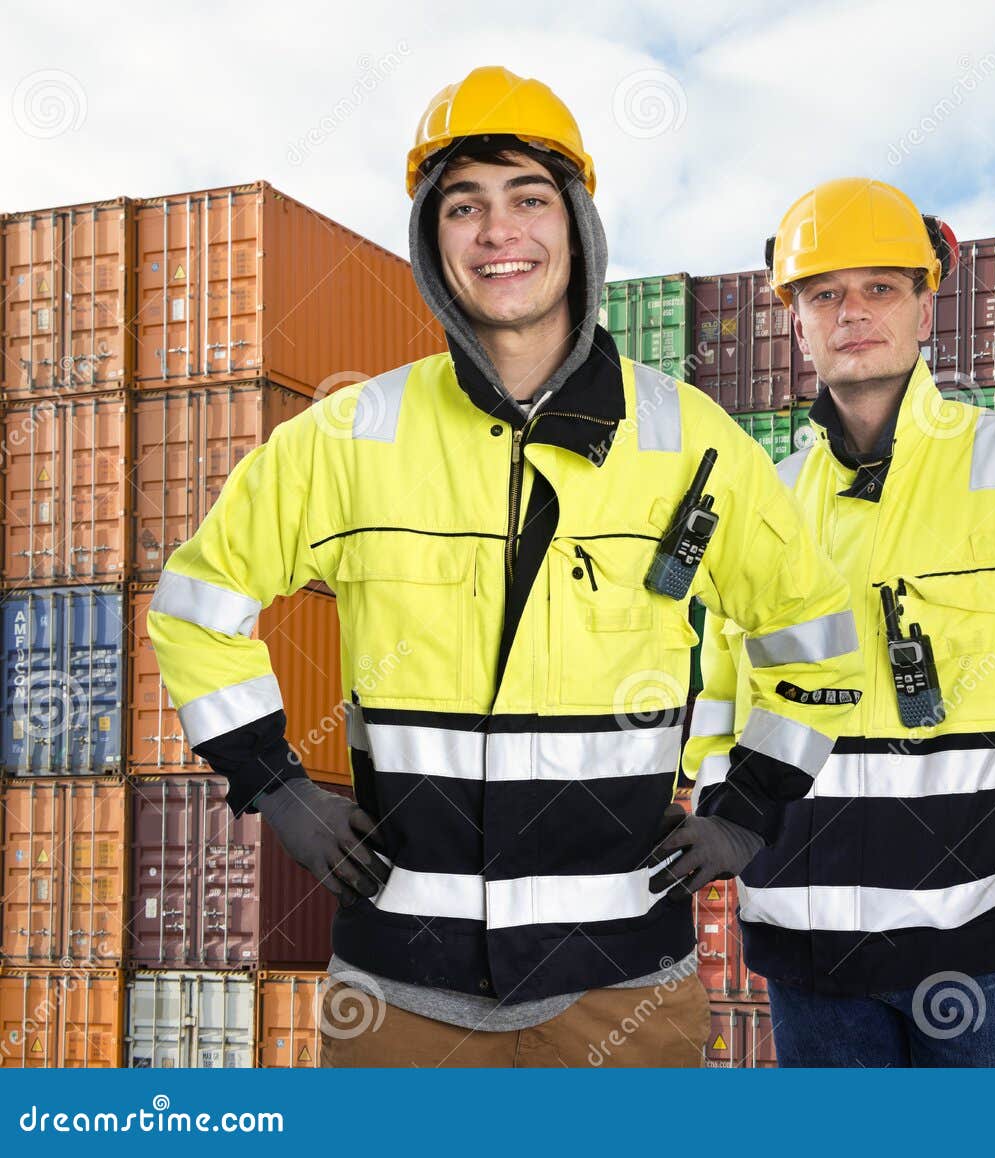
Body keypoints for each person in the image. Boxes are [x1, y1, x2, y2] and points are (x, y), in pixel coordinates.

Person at [146, 67, 860, 1068]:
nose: (497, 232)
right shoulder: (349, 438)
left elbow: (815, 638)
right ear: (431, 241)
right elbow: (195, 608)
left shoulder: (689, 439)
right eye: (463, 206)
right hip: (399, 996)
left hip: (623, 991)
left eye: (528, 199)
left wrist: (747, 812)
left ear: (577, 227)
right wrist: (278, 786)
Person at [685, 177, 995, 1067]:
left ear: (925, 308)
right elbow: (716, 699)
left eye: (880, 288)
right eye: (825, 295)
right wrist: (732, 819)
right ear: (796, 324)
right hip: (805, 960)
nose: (853, 312)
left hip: (974, 949)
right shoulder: (768, 500)